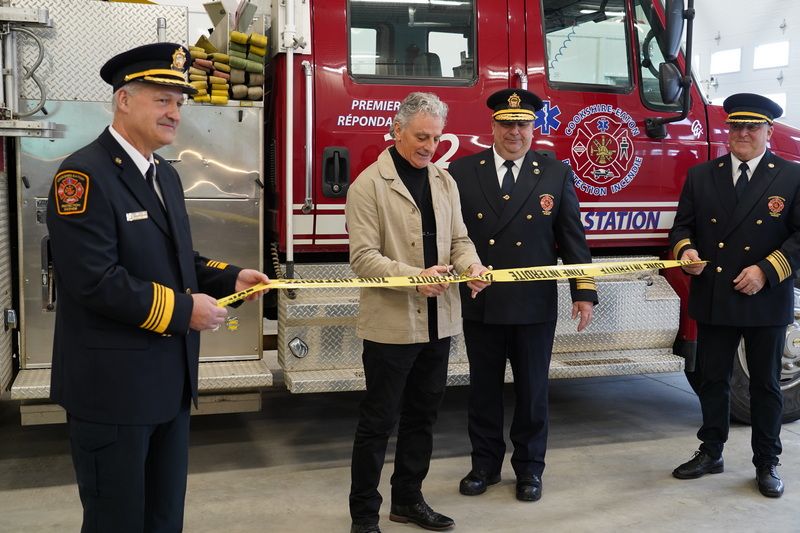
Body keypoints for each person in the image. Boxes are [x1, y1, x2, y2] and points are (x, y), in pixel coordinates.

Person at [46, 43, 269, 532]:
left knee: (164, 518)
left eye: (179, 102)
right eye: (162, 99)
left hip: (168, 387)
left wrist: (230, 275)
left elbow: (175, 260)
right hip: (114, 393)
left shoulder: (163, 175)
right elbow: (94, 281)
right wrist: (183, 311)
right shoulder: (83, 175)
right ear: (124, 100)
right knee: (117, 521)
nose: (175, 113)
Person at [345, 91, 490, 533]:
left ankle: (408, 500)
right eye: (421, 136)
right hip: (391, 327)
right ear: (396, 131)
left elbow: (460, 240)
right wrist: (414, 277)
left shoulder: (444, 182)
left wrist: (472, 266)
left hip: (439, 322)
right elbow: (363, 258)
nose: (429, 146)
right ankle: (364, 515)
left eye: (436, 137)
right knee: (378, 422)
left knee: (423, 417)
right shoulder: (368, 185)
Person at [448, 89, 597, 502]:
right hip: (483, 301)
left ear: (534, 128)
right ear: (492, 126)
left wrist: (583, 291)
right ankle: (484, 465)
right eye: (507, 123)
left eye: (523, 124)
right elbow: (451, 237)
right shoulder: (462, 172)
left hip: (533, 305)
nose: (515, 132)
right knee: (483, 391)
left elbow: (572, 238)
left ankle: (530, 469)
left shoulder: (555, 174)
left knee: (533, 393)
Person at [670, 93, 798, 498]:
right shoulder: (702, 175)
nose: (743, 134)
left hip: (765, 295)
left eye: (752, 127)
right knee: (713, 381)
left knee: (765, 385)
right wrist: (685, 251)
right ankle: (711, 451)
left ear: (768, 131)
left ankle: (767, 462)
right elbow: (682, 228)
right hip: (715, 295)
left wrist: (766, 270)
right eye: (736, 126)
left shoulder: (791, 177)